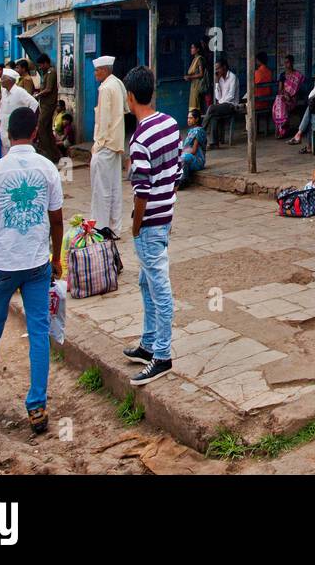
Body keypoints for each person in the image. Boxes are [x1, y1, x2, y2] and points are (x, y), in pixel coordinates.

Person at [0, 106, 64, 434]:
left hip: (3, 265)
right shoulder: (48, 169)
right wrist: (57, 258)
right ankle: (37, 405)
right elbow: (56, 219)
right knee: (39, 332)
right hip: (37, 264)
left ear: (8, 134)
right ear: (35, 133)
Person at [122, 65, 181, 386]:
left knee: (158, 286)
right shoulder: (170, 124)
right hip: (165, 215)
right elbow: (178, 168)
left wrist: (136, 224)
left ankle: (162, 354)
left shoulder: (140, 138)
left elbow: (141, 190)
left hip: (149, 223)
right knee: (147, 282)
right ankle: (148, 343)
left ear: (130, 97)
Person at [90, 56, 127, 236]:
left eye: (97, 70)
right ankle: (115, 228)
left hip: (106, 143)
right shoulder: (118, 83)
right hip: (116, 142)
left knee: (102, 189)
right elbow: (126, 108)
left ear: (104, 70)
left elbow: (103, 119)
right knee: (114, 187)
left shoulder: (105, 88)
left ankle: (101, 227)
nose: (95, 73)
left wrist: (98, 143)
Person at [0, 70, 38, 155]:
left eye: (3, 79)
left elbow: (34, 104)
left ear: (10, 80)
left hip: (15, 128)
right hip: (4, 126)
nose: (1, 81)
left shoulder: (19, 92)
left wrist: (26, 120)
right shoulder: (4, 92)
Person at [289, 63, 315, 152]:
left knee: (309, 114)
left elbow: (311, 95)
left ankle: (299, 135)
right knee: (309, 112)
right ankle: (301, 137)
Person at [204, 60, 238, 148]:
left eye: (218, 68)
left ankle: (200, 132)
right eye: (215, 69)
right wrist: (216, 83)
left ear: (224, 67)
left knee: (211, 108)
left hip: (231, 105)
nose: (216, 71)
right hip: (222, 105)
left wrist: (219, 104)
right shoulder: (220, 79)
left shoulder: (232, 77)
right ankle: (214, 143)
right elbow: (218, 97)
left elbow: (231, 95)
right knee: (213, 117)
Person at [34, 55, 60, 162]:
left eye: (41, 65)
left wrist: (37, 95)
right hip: (44, 104)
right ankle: (54, 154)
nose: (40, 67)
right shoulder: (46, 73)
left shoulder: (51, 72)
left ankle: (47, 153)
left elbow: (48, 89)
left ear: (46, 63)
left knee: (41, 128)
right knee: (47, 130)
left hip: (48, 105)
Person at [272, 54, 304, 139]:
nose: (286, 65)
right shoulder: (282, 75)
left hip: (292, 100)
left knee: (280, 103)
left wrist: (290, 95)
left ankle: (282, 126)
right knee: (279, 100)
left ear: (292, 63)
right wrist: (285, 94)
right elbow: (280, 89)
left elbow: (297, 90)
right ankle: (283, 123)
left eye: (288, 62)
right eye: (285, 63)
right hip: (284, 98)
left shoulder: (297, 75)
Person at [179, 109, 207, 189]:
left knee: (183, 158)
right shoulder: (191, 131)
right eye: (188, 118)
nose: (188, 120)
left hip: (198, 160)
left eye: (191, 118)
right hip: (190, 157)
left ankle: (183, 181)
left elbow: (194, 151)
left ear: (197, 119)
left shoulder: (198, 131)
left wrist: (182, 154)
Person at [184, 42, 209, 115]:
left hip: (198, 85)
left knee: (196, 105)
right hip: (194, 85)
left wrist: (190, 77)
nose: (191, 49)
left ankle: (197, 121)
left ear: (197, 49)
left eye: (193, 48)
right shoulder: (194, 59)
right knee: (193, 105)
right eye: (191, 48)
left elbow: (201, 74)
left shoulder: (199, 59)